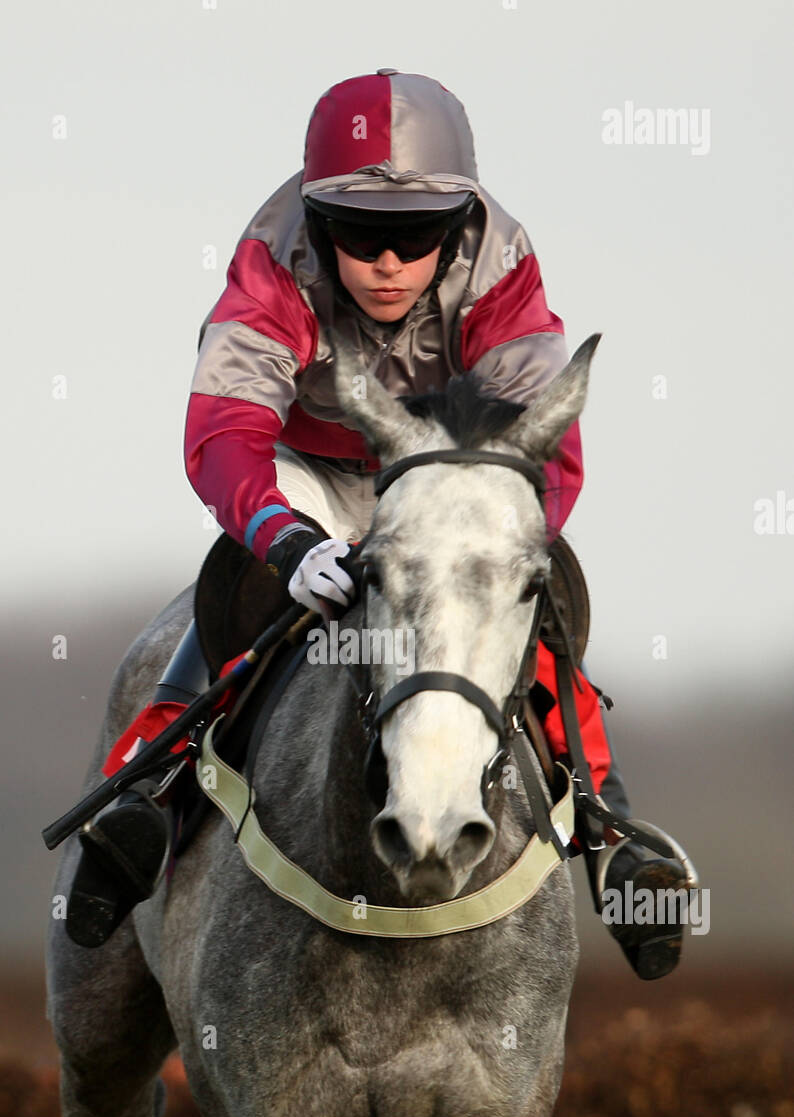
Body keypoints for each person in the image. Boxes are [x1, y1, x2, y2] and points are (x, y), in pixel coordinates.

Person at [67, 69, 694, 979]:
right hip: (308, 470)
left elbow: (545, 452)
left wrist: (478, 541)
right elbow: (224, 432)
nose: (391, 264)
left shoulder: (503, 262)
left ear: (460, 226)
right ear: (320, 224)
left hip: (442, 477)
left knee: (525, 578)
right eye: (363, 236)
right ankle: (146, 792)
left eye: (417, 236)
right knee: (237, 582)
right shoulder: (272, 258)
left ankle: (608, 823)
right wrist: (287, 543)